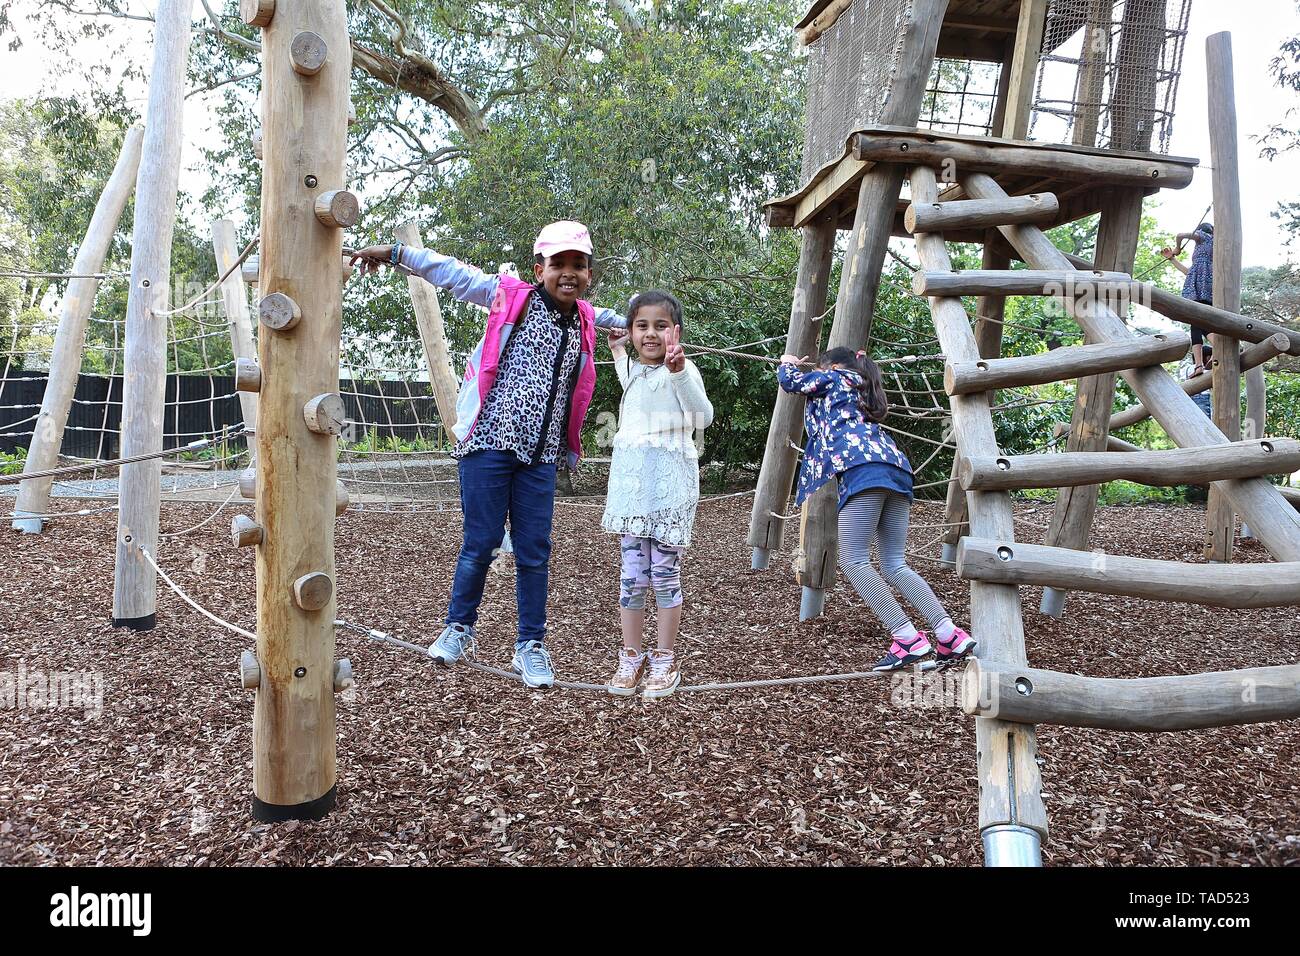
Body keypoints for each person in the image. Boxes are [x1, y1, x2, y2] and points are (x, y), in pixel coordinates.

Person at [349, 221, 627, 688]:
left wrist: (660, 329)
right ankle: (459, 628)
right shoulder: (509, 296)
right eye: (557, 263)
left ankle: (530, 646)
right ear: (539, 269)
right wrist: (396, 254)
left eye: (578, 264)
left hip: (540, 457)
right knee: (481, 542)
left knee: (536, 551)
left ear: (589, 274)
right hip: (488, 444)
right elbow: (451, 273)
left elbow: (637, 323)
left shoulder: (587, 319)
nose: (568, 273)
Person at [777, 347, 974, 671]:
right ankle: (948, 634)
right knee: (895, 563)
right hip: (898, 470)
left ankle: (907, 638)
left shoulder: (836, 376)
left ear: (832, 365)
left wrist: (787, 363)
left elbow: (793, 383)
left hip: (864, 471)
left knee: (853, 560)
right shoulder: (864, 388)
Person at [600, 291, 713, 699]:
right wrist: (615, 349)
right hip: (633, 494)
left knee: (664, 575)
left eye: (660, 325)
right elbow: (623, 372)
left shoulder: (681, 369)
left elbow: (705, 415)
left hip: (668, 492)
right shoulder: (632, 371)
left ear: (675, 332)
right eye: (641, 326)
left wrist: (680, 372)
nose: (651, 333)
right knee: (632, 578)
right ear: (630, 332)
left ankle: (664, 657)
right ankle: (631, 656)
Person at [1160, 222, 1215, 376]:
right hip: (1207, 287)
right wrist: (1172, 259)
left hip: (1198, 290)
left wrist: (1177, 248)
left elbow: (1180, 235)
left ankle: (1216, 350)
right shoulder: (1211, 253)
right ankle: (1199, 365)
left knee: (1197, 322)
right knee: (1196, 324)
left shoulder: (1204, 237)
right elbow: (1189, 273)